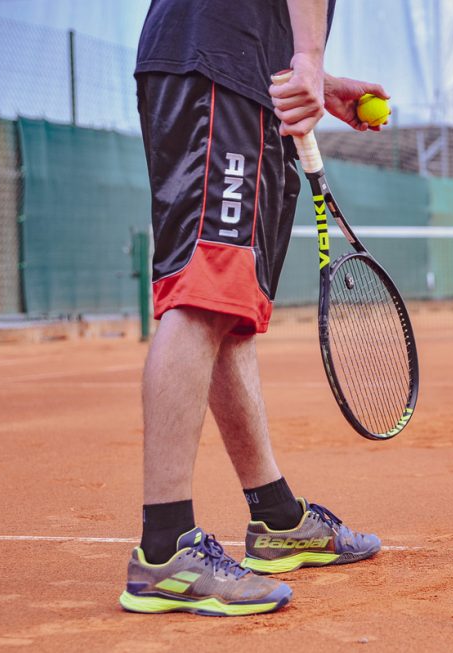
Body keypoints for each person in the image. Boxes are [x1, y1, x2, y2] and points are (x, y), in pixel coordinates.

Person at [121, 0, 389, 617]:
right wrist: (308, 59)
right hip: (220, 67)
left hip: (238, 71)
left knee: (229, 306)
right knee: (203, 290)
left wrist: (313, 74)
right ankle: (164, 550)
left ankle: (276, 517)